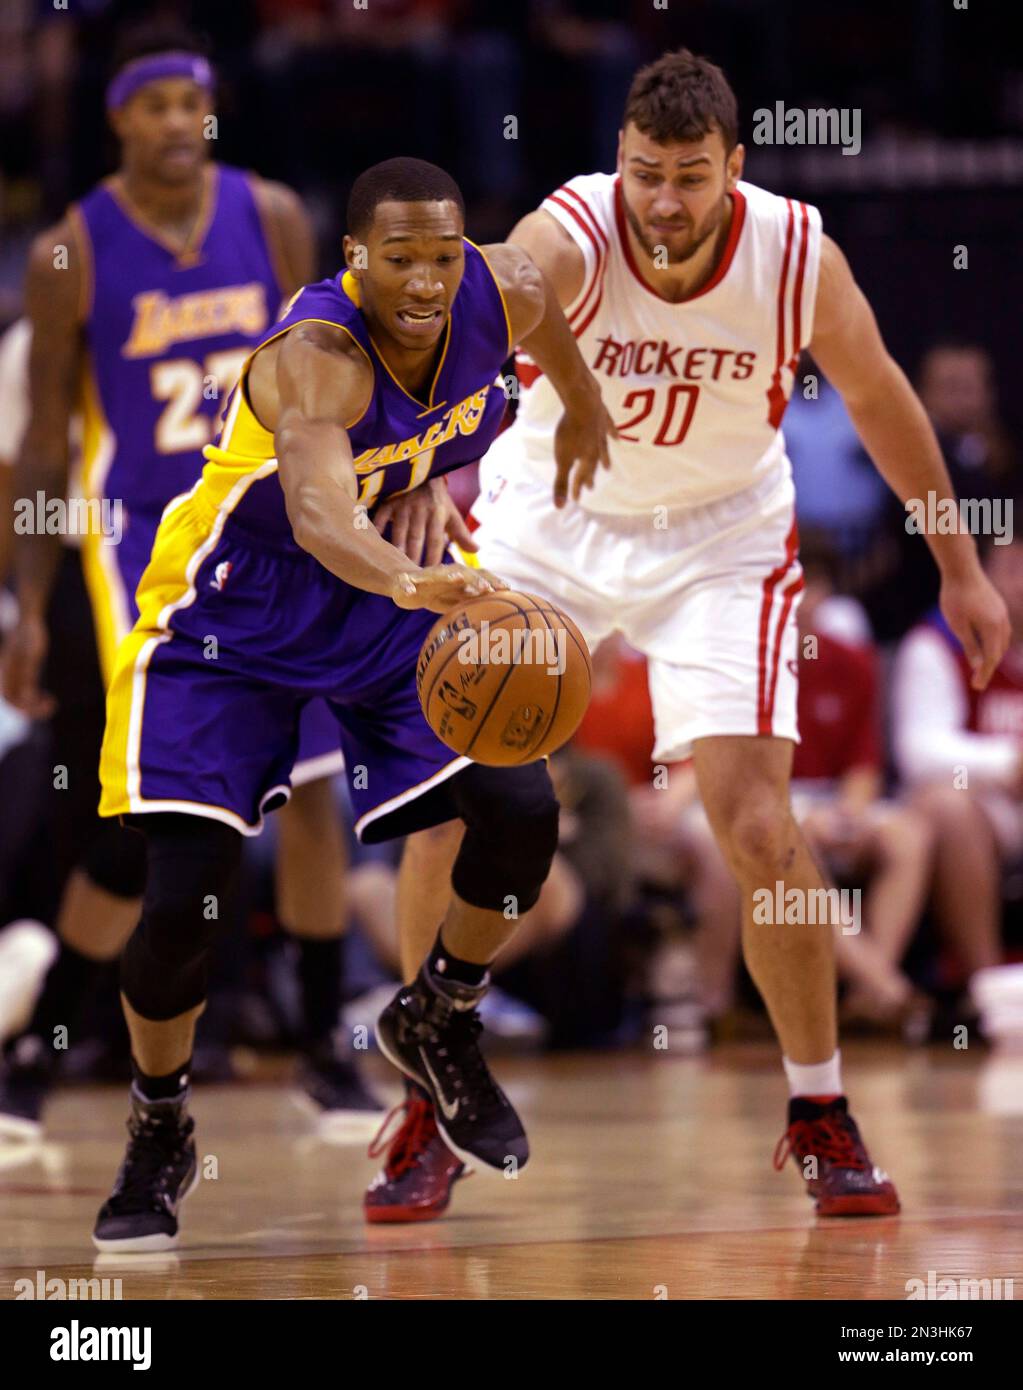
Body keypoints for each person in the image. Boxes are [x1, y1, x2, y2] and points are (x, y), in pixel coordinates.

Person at [382, 47, 1010, 1221]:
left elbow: (880, 398)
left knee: (762, 826)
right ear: (618, 160)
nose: (662, 201)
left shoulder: (796, 256)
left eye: (687, 176)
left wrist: (961, 569)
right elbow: (480, 306)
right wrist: (416, 452)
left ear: (733, 165)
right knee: (455, 804)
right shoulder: (575, 227)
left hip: (721, 539)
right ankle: (426, 1095)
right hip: (548, 526)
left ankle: (819, 1107)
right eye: (643, 173)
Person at [88, 155, 610, 1250]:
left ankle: (436, 1016)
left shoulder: (501, 284)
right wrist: (414, 574)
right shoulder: (313, 359)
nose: (426, 281)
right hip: (231, 618)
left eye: (442, 255)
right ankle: (159, 1124)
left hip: (375, 604)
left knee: (523, 813)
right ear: (353, 261)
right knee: (184, 898)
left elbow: (550, 310)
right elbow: (323, 511)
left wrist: (581, 412)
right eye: (399, 259)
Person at [0, 27, 381, 1139]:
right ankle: (43, 1047)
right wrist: (28, 600)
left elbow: (330, 377)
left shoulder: (268, 216)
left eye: (192, 102)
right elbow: (37, 446)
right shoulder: (71, 248)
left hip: (277, 533)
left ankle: (322, 1049)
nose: (177, 122)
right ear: (118, 117)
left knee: (312, 794)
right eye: (154, 103)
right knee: (148, 818)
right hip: (144, 559)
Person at [891, 531, 1023, 1036]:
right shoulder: (936, 642)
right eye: (1011, 569)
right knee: (946, 805)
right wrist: (1010, 763)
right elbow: (920, 751)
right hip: (987, 808)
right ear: (983, 573)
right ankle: (989, 996)